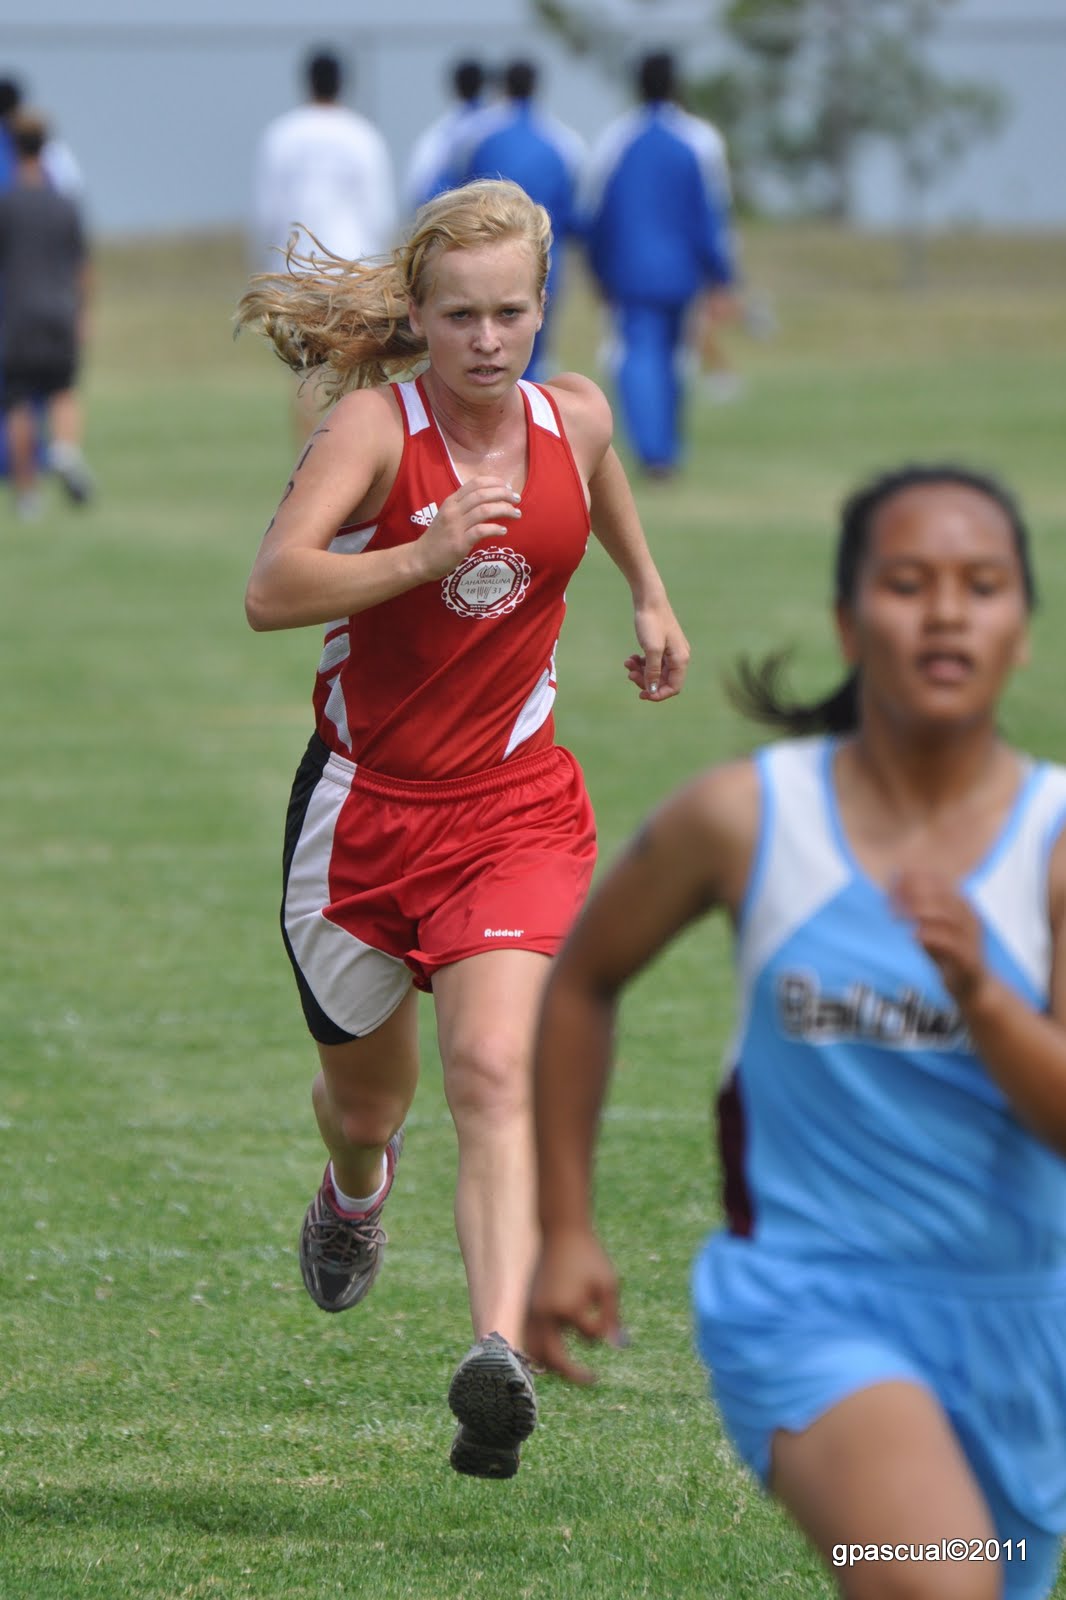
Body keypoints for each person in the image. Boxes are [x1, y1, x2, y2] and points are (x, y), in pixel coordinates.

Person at [528, 463, 1066, 1599]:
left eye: (982, 585)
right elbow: (582, 980)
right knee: (935, 1583)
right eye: (907, 583)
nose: (945, 611)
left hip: (1027, 1321)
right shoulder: (745, 816)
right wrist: (564, 1224)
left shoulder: (1053, 844)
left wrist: (978, 992)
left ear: (1021, 627)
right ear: (845, 618)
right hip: (809, 1302)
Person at [236, 178, 690, 1480]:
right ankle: (354, 1195)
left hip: (513, 812)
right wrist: (418, 556)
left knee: (494, 1068)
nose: (488, 341)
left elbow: (596, 477)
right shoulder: (375, 434)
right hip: (362, 816)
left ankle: (490, 1358)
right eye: (458, 317)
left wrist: (649, 596)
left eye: (510, 313)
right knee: (365, 1103)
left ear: (542, 306)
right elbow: (272, 590)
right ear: (418, 318)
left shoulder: (578, 414)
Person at [581, 49, 739, 478]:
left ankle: (652, 452)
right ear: (675, 85)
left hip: (629, 272)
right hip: (682, 271)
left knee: (637, 356)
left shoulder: (615, 140)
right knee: (675, 357)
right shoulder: (699, 140)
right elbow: (712, 214)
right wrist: (722, 275)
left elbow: (598, 212)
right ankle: (667, 448)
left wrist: (597, 268)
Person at [252, 49, 397, 439]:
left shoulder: (282, 134)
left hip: (299, 268)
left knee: (308, 372)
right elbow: (379, 210)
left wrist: (268, 269)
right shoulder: (362, 134)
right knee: (357, 367)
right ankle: (362, 456)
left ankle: (312, 457)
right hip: (353, 266)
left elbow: (268, 210)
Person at [456, 61, 585, 382]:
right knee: (530, 345)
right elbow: (572, 213)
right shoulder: (562, 142)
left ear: (504, 87)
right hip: (543, 263)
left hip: (482, 264)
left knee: (488, 347)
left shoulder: (479, 136)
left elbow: (454, 199)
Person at [0, 110, 93, 519]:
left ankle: (28, 495)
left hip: (17, 314)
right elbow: (83, 266)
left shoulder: (7, 204)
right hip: (60, 309)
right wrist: (84, 312)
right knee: (63, 389)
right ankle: (66, 451)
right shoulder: (65, 204)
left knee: (18, 400)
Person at [403, 58, 491, 215]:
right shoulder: (497, 127)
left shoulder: (442, 132)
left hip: (457, 219)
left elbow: (419, 187)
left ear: (455, 87)